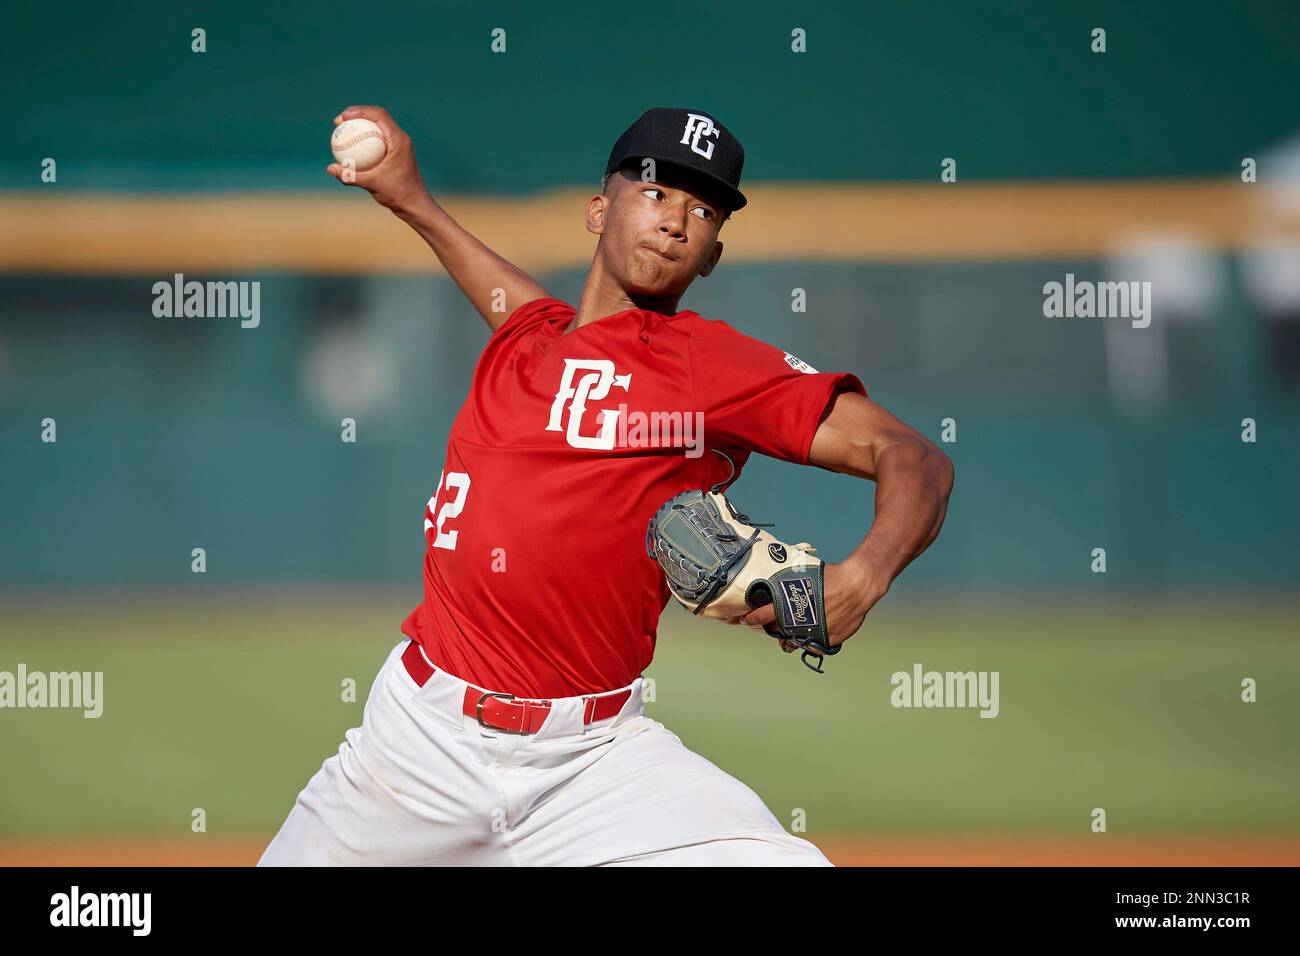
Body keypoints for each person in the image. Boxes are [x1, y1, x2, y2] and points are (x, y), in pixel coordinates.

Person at [259, 106, 954, 866]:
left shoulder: (709, 366)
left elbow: (912, 456)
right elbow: (502, 291)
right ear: (599, 210)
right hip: (413, 753)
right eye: (656, 191)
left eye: (703, 209)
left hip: (595, 765)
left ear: (713, 255)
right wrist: (410, 199)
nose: (676, 221)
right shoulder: (525, 338)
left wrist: (864, 576)